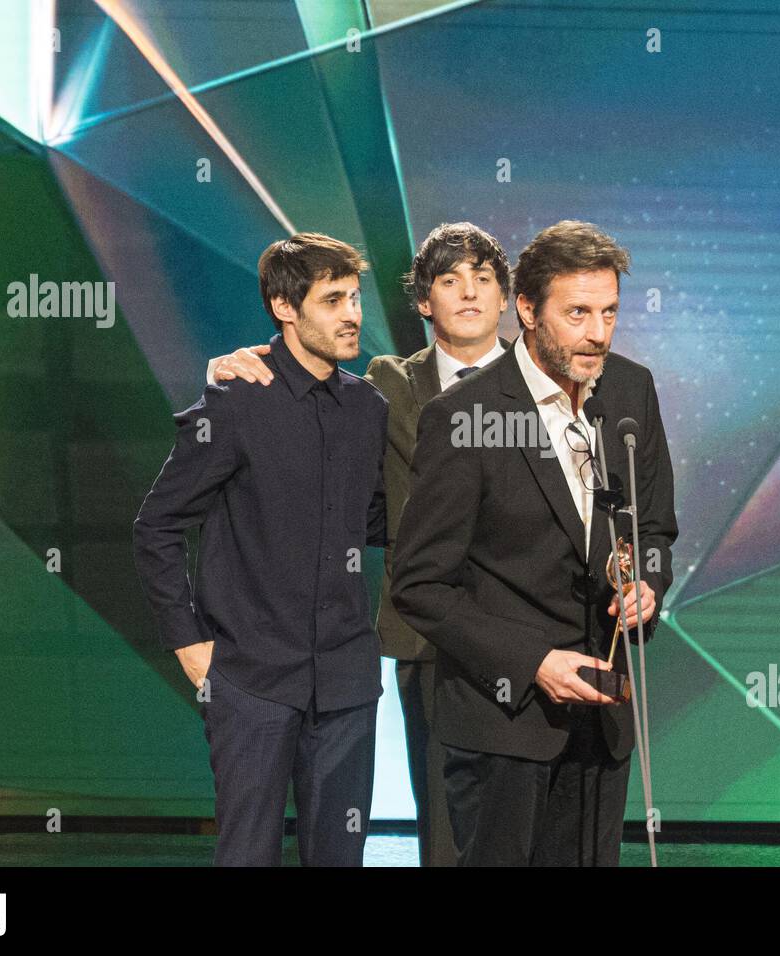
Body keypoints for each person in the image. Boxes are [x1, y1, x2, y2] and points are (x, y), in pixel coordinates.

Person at [206, 222, 512, 866]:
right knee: (443, 825)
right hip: (424, 633)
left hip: (532, 630)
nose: (468, 294)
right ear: (423, 301)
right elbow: (354, 499)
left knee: (532, 815)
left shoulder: (544, 383)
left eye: (483, 279)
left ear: (508, 297)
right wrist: (231, 369)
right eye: (450, 281)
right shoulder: (386, 386)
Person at [391, 220, 678, 866]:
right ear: (526, 308)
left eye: (608, 312)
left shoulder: (631, 392)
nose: (598, 333)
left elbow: (655, 530)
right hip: (503, 731)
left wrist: (649, 588)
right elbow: (418, 585)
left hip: (602, 727)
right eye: (577, 313)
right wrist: (533, 662)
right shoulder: (464, 417)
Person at [133, 234, 388, 866]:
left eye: (354, 297)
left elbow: (375, 520)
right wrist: (189, 644)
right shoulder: (237, 399)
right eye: (333, 300)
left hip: (347, 681)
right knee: (247, 855)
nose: (352, 313)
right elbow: (157, 524)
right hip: (251, 679)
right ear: (284, 305)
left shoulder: (367, 407)